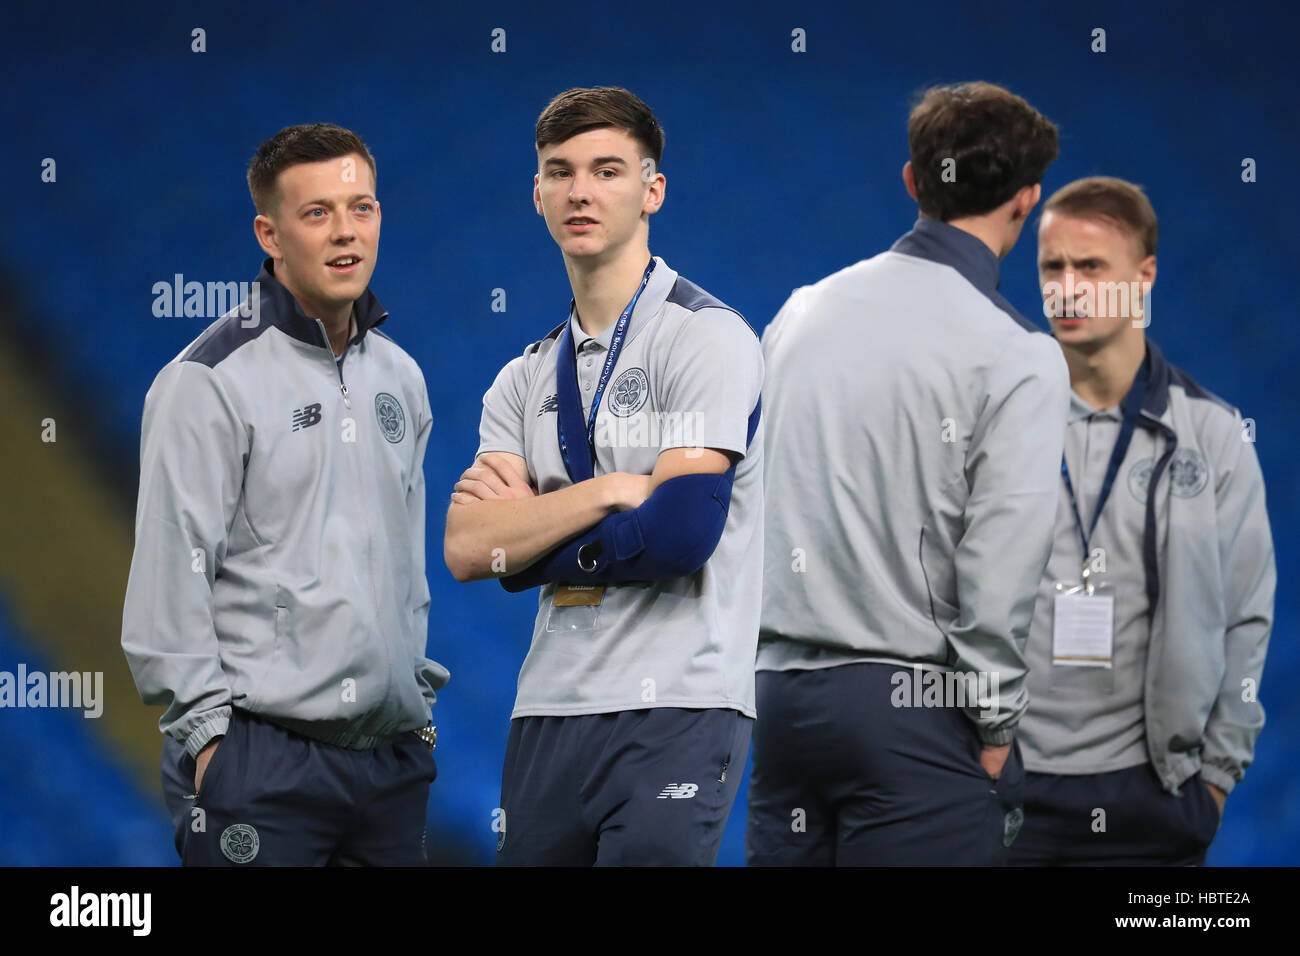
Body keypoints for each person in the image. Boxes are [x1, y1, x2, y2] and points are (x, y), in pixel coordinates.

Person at [444, 87, 763, 866]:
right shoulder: (520, 377)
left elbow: (681, 533)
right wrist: (610, 492)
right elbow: (466, 551)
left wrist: (532, 549)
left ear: (652, 189)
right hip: (549, 707)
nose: (581, 190)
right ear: (538, 193)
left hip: (678, 705)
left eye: (607, 170)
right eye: (561, 172)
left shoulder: (706, 338)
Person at [749, 81, 1066, 866]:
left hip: (778, 703)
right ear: (1027, 201)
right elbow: (1001, 564)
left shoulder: (801, 312)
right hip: (916, 713)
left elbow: (751, 501)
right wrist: (995, 725)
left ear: (913, 181)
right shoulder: (1019, 354)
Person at [122, 123, 447, 866]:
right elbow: (169, 585)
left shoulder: (401, 377)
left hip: (388, 768)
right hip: (261, 766)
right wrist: (213, 750)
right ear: (269, 234)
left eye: (361, 208)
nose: (346, 233)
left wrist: (416, 705)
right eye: (318, 213)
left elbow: (406, 573)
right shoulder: (206, 382)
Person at [1010, 176, 1276, 866]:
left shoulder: (1212, 437)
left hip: (1154, 801)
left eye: (1091, 267)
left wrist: (1213, 781)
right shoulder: (997, 425)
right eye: (1052, 267)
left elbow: (1247, 620)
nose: (1067, 287)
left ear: (1144, 276)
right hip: (1009, 794)